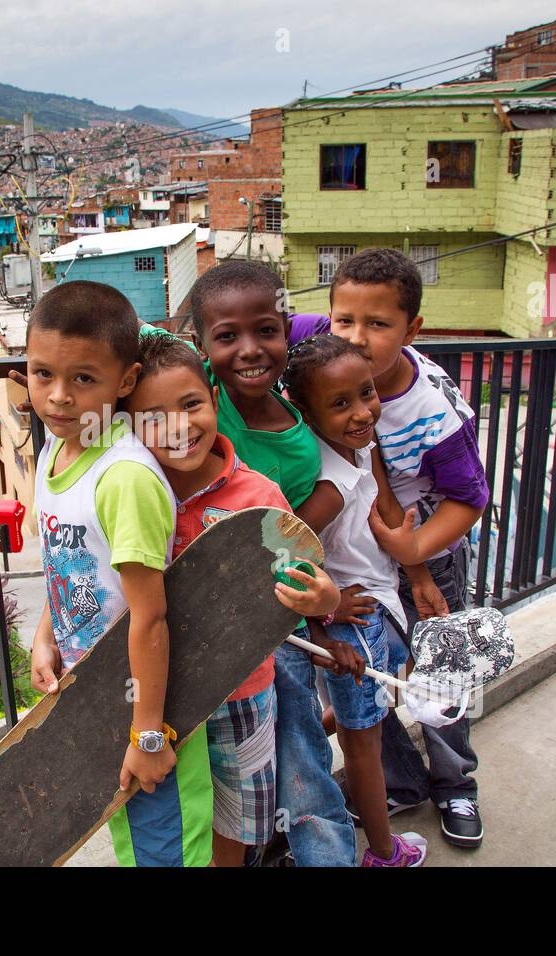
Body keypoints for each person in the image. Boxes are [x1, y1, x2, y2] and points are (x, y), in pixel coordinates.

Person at [122, 328, 340, 866]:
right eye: (153, 416)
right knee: (173, 817)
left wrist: (322, 598)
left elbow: (311, 577)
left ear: (214, 399)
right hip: (166, 701)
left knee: (238, 820)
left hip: (246, 693)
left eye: (191, 404)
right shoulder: (135, 495)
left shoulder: (259, 495)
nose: (178, 427)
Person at [187, 260, 376, 866]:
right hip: (201, 628)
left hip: (278, 632)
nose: (249, 350)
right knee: (218, 776)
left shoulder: (299, 439)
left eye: (266, 331)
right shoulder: (207, 404)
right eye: (226, 337)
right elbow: (143, 344)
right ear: (201, 346)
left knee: (300, 762)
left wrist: (320, 634)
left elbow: (292, 548)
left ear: (286, 331)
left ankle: (325, 855)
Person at [25, 280, 212, 867]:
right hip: (98, 695)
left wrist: (149, 736)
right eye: (41, 374)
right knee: (132, 841)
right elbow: (68, 564)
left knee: (167, 850)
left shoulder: (121, 478)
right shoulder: (54, 454)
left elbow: (151, 615)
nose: (58, 397)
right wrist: (46, 635)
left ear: (124, 382)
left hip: (152, 706)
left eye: (83, 378)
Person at [327, 247, 490, 848]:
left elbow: (470, 498)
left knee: (440, 670)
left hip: (433, 557)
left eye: (378, 324)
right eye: (344, 320)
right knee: (363, 672)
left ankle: (456, 785)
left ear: (412, 329)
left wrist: (414, 550)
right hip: (364, 563)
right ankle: (401, 781)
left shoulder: (433, 413)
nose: (356, 336)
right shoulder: (324, 349)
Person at [285, 334, 427, 867]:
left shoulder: (363, 446)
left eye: (366, 393)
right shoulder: (329, 481)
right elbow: (282, 553)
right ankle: (385, 854)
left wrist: (420, 578)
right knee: (363, 742)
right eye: (339, 404)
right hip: (356, 621)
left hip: (379, 604)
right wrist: (324, 620)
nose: (362, 412)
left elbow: (387, 505)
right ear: (305, 410)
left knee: (363, 716)